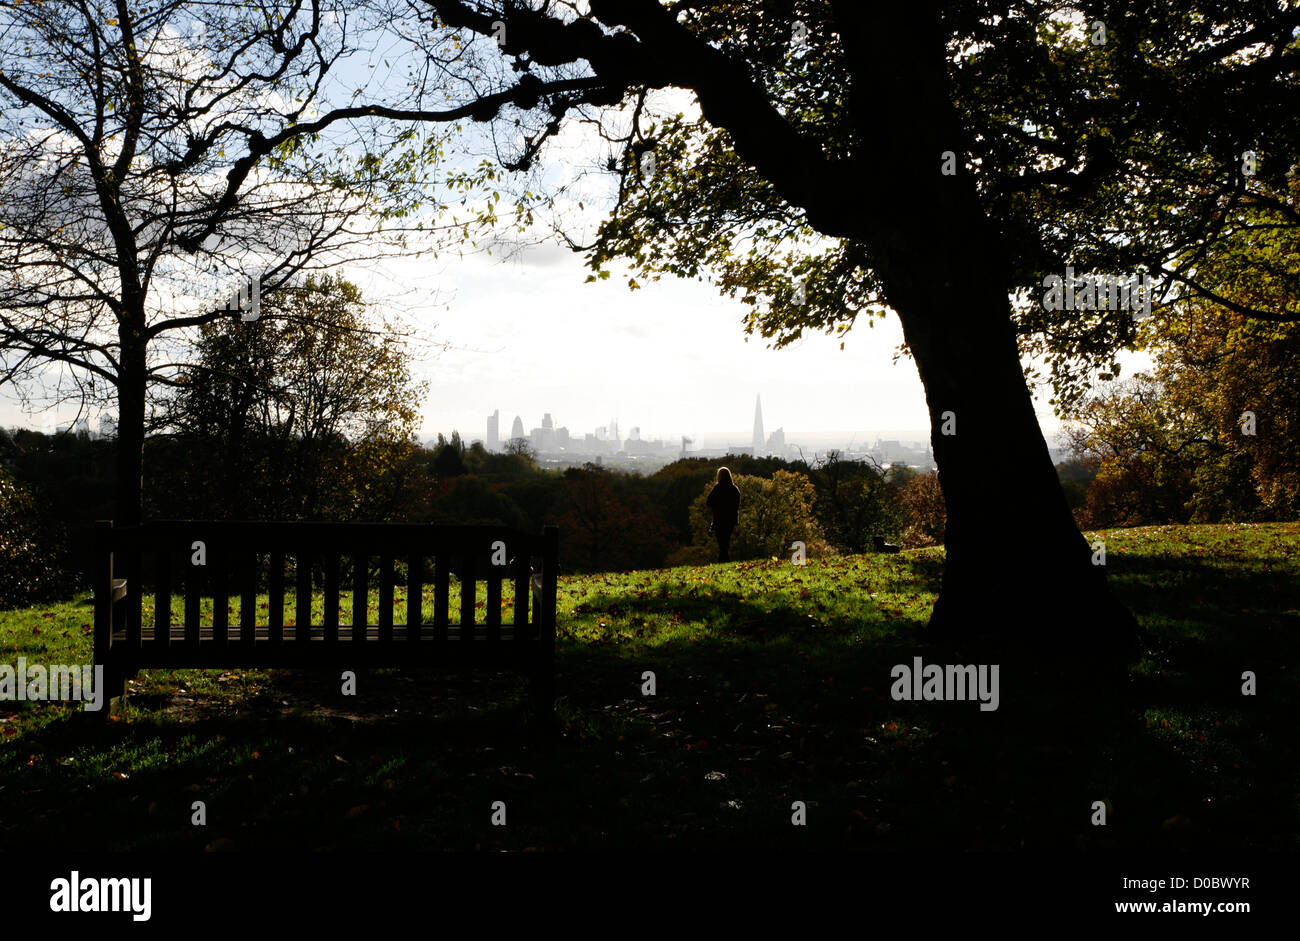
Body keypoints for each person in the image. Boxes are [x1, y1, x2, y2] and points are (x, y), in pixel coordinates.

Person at [706, 466, 741, 563]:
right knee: (726, 541)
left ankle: (723, 561)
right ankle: (724, 560)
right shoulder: (734, 489)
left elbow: (708, 502)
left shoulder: (717, 488)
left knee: (721, 542)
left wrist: (717, 507)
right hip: (731, 520)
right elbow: (737, 504)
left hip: (719, 519)